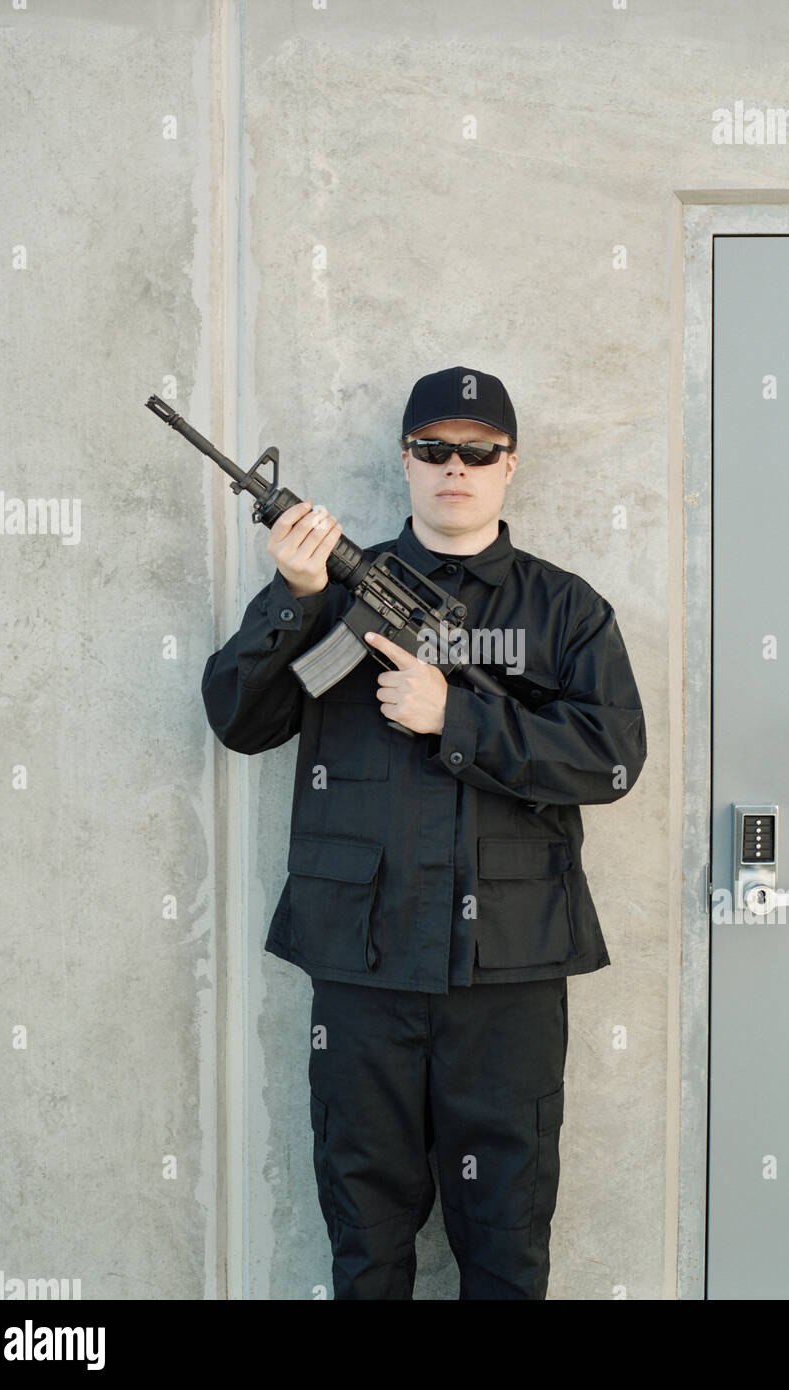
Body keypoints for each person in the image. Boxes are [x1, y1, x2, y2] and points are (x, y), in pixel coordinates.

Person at [202, 365, 646, 1299]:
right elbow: (242, 723)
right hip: (365, 969)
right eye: (434, 449)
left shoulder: (563, 610)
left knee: (507, 1243)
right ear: (405, 462)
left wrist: (461, 717)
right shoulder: (332, 596)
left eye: (478, 451)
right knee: (365, 1241)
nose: (457, 467)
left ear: (509, 466)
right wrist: (293, 593)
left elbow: (612, 757)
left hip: (511, 974)